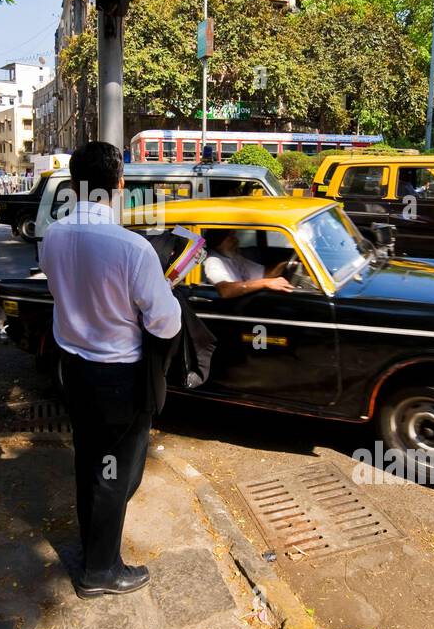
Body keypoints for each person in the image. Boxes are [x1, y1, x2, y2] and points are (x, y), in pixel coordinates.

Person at [39, 141, 181, 599]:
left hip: (74, 370)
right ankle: (100, 572)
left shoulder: (53, 235)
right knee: (117, 473)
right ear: (119, 183)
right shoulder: (132, 249)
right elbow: (166, 321)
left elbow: (63, 291)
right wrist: (164, 289)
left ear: (74, 184)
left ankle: (93, 548)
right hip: (119, 378)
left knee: (89, 463)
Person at [202, 229, 294, 297]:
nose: (236, 240)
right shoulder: (213, 261)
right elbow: (225, 290)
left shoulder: (233, 257)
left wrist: (290, 264)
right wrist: (265, 283)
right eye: (231, 237)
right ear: (219, 240)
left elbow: (264, 273)